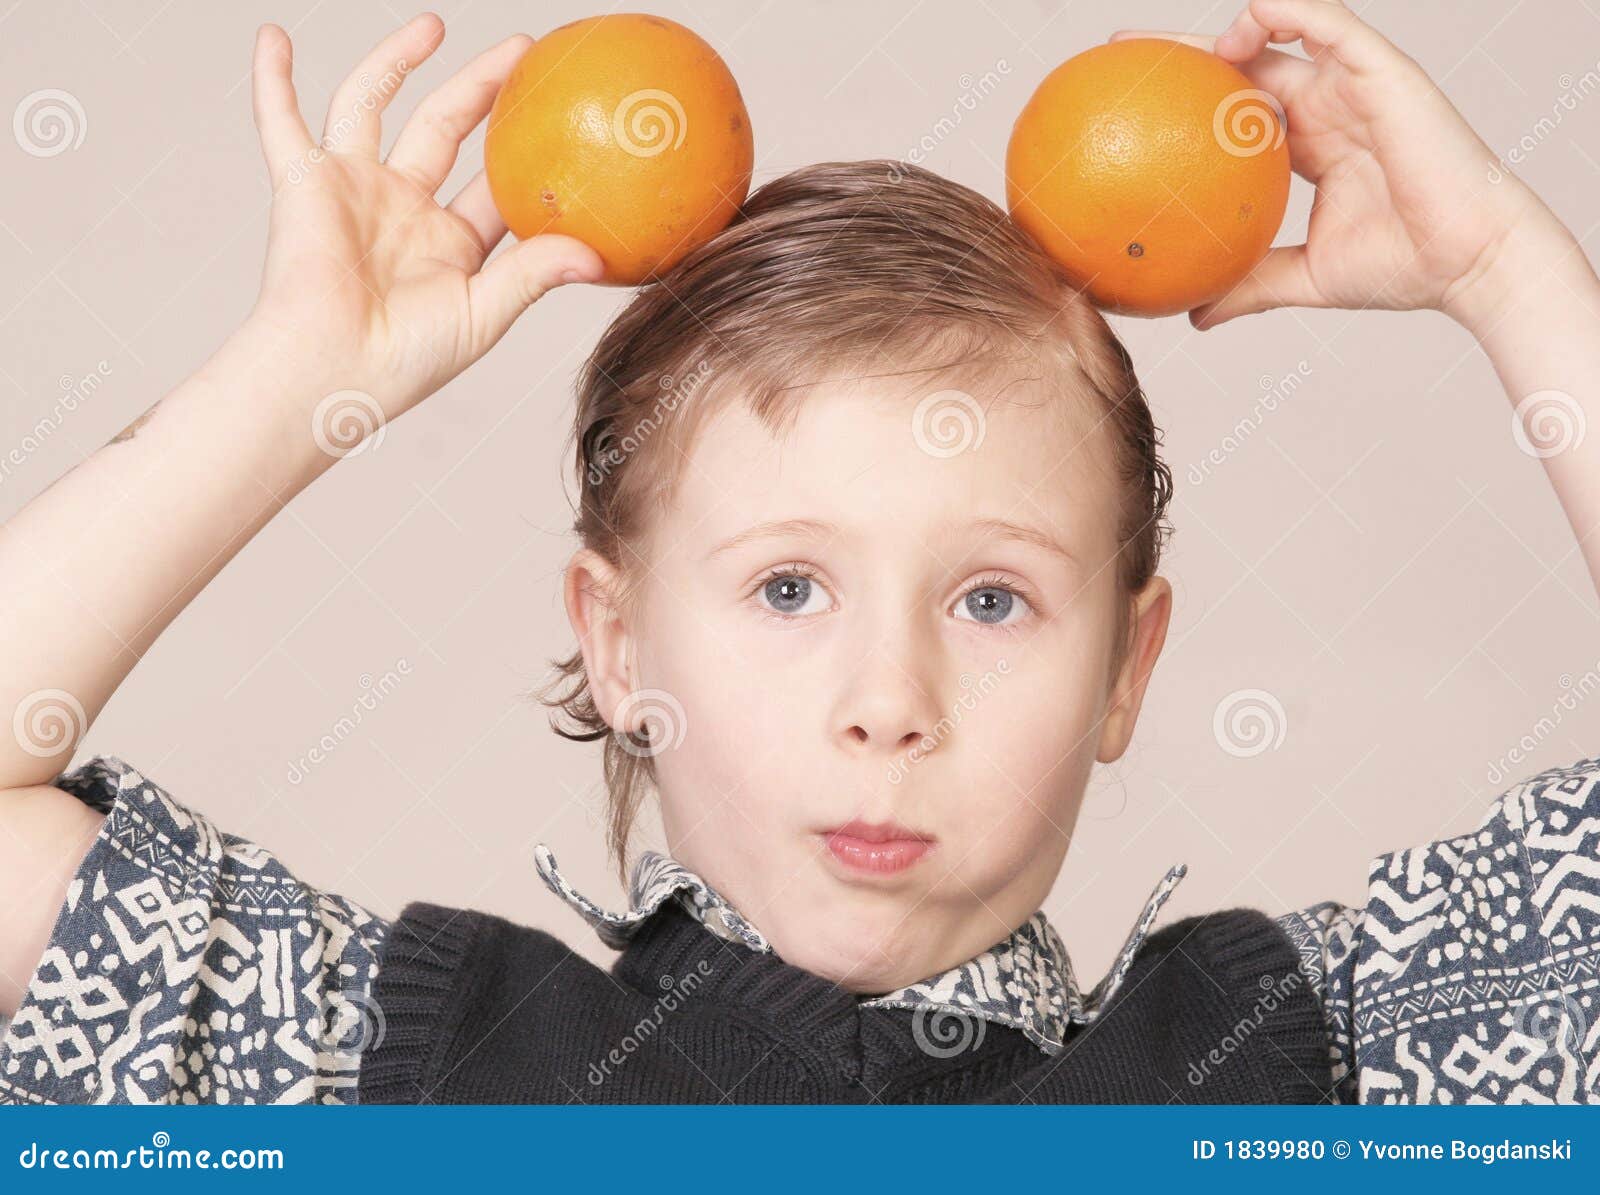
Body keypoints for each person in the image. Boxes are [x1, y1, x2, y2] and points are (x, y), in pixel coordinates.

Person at [3, 0, 1597, 1105]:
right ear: (620, 648)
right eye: (787, 587)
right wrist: (302, 386)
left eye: (992, 597)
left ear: (1129, 665)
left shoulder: (1309, 1063)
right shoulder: (407, 1068)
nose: (885, 700)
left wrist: (1505, 269)